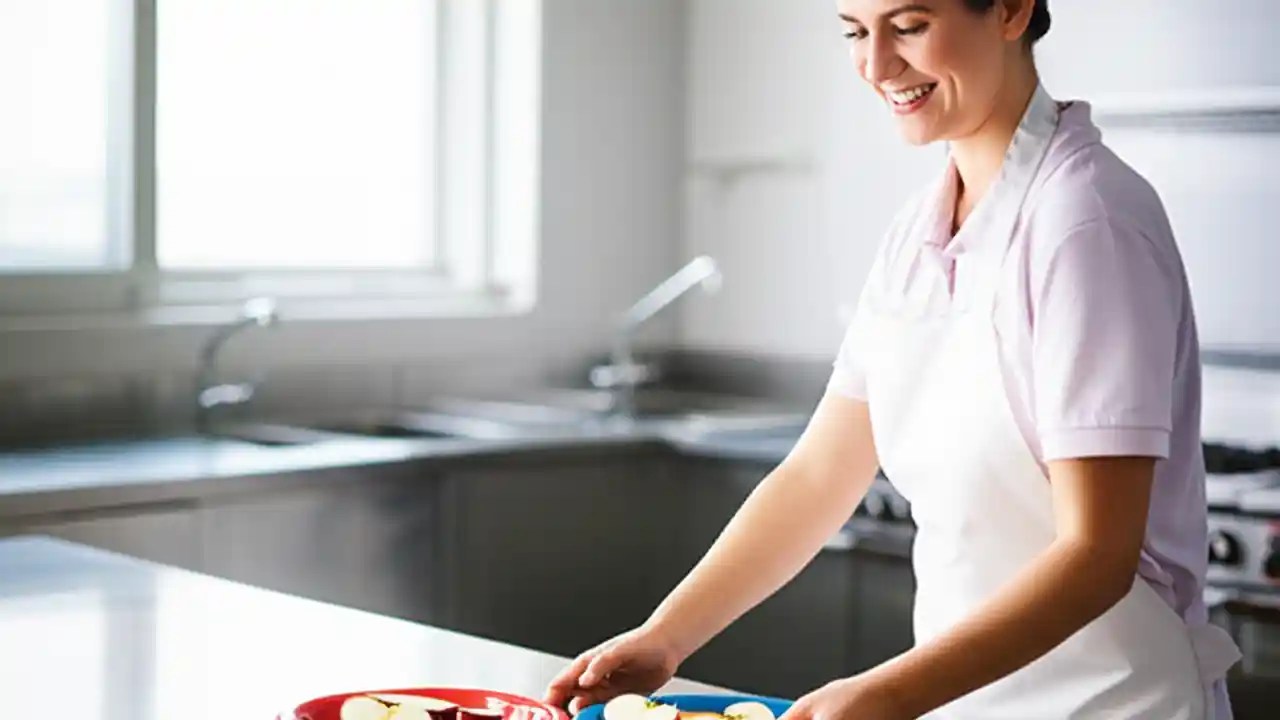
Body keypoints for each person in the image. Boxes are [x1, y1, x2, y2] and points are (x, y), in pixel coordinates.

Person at [545, 1, 1242, 717]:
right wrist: (666, 639)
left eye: (908, 26)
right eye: (854, 31)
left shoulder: (1086, 223)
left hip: (1114, 704)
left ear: (1009, 10)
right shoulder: (918, 232)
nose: (876, 66)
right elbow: (821, 474)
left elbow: (1096, 556)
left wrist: (885, 694)